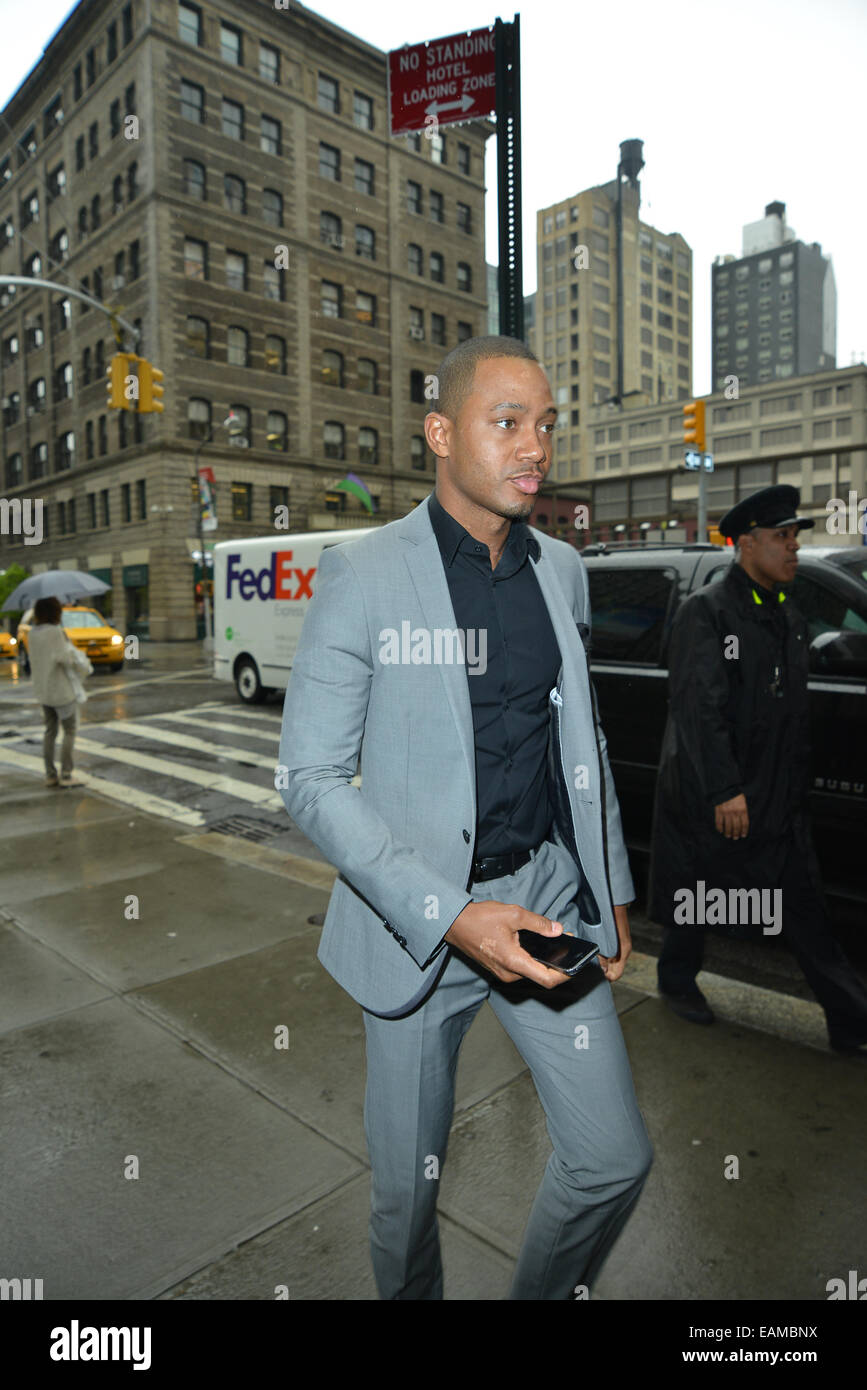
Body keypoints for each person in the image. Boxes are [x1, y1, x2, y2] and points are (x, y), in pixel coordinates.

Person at [278, 336, 652, 1300]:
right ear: (440, 433)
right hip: (414, 934)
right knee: (405, 1203)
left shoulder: (561, 570)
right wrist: (448, 914)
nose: (535, 447)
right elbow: (311, 778)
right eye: (508, 423)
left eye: (546, 425)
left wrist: (608, 887)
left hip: (544, 903)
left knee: (611, 1160)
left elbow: (585, 749)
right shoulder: (362, 575)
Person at [648, 484, 867, 1057]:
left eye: (795, 536)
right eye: (782, 537)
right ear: (747, 545)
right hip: (722, 794)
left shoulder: (785, 614)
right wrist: (725, 789)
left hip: (778, 797)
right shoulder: (710, 613)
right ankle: (676, 981)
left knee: (804, 910)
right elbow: (699, 708)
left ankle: (850, 1022)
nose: (794, 547)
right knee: (698, 895)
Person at [28, 595, 92, 788]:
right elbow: (64, 659)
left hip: (43, 690)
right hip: (61, 691)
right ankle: (66, 774)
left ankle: (50, 775)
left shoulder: (32, 633)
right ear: (55, 612)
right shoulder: (56, 632)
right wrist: (70, 648)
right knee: (70, 731)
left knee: (50, 732)